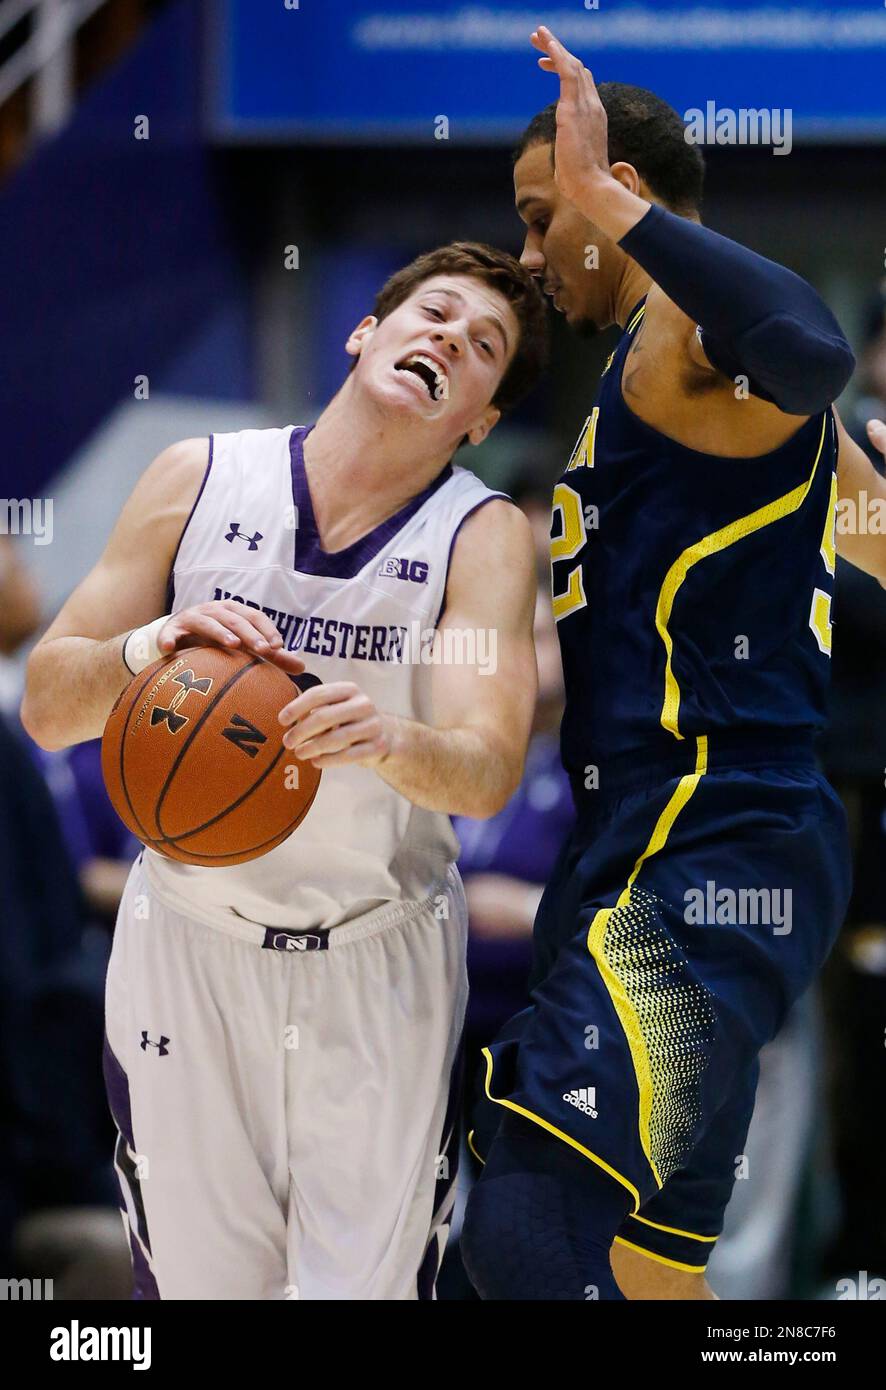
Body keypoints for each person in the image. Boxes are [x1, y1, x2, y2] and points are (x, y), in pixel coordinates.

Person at [22, 241, 547, 1301]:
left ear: (481, 419)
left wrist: (390, 739)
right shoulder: (198, 476)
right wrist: (148, 649)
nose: (450, 336)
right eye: (434, 312)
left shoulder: (479, 535)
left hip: (374, 956)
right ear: (366, 331)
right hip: (189, 944)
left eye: (484, 344)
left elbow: (487, 768)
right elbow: (47, 704)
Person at [460, 28, 886, 1302]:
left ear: (624, 192)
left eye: (544, 218)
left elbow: (809, 345)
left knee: (528, 1228)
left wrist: (601, 201)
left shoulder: (699, 343)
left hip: (713, 847)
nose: (529, 254)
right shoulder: (678, 386)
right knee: (640, 1270)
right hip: (642, 844)